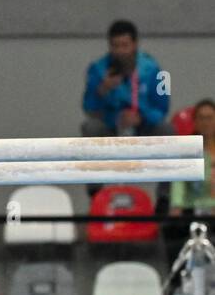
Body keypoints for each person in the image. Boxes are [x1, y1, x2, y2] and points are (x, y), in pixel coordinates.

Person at [81, 20, 174, 139]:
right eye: (115, 46)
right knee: (91, 127)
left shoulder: (155, 70)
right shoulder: (97, 70)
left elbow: (163, 108)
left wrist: (141, 117)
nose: (120, 51)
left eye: (125, 46)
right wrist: (102, 90)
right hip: (111, 126)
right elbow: (88, 107)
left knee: (165, 128)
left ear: (135, 44)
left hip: (144, 126)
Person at [165, 98, 215, 261]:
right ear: (195, 121)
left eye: (210, 118)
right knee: (172, 229)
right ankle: (177, 280)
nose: (206, 122)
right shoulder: (188, 150)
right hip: (193, 209)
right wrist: (177, 205)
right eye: (201, 118)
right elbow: (178, 182)